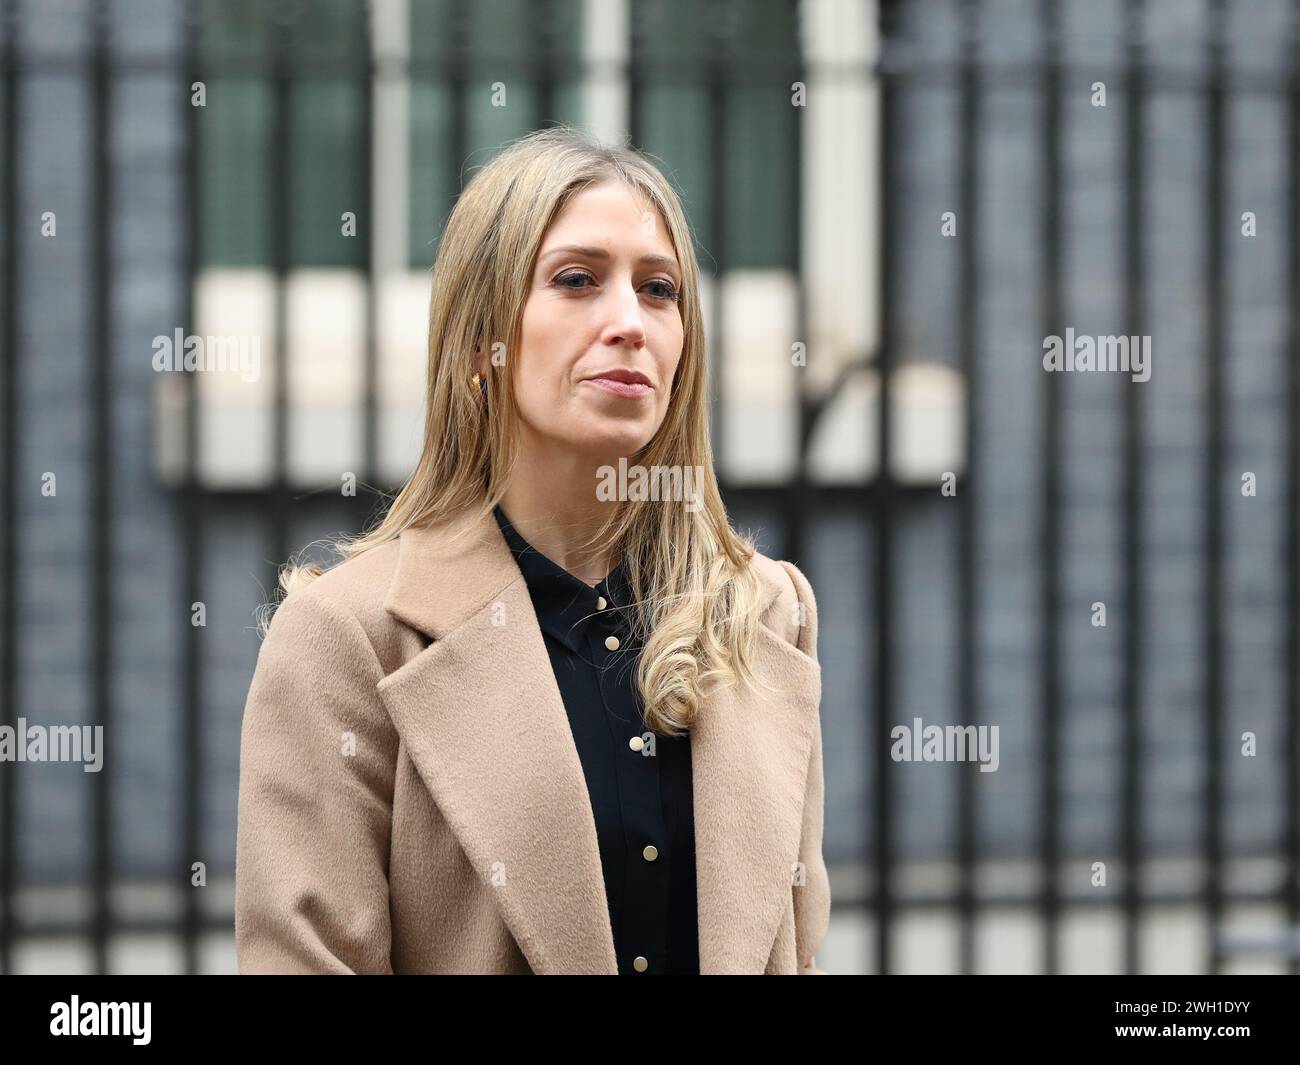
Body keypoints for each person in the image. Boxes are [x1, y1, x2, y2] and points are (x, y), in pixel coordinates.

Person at [234, 125, 829, 974]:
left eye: (659, 290)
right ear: (484, 341)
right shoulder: (347, 637)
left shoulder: (768, 611)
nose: (629, 321)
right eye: (578, 280)